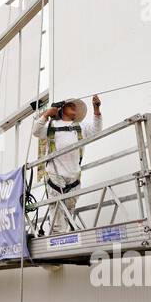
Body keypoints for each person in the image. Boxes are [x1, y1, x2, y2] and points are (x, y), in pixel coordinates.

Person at [30, 94, 102, 235]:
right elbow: (36, 131)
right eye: (71, 105)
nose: (74, 107)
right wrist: (46, 114)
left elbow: (96, 130)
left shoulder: (80, 127)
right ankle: (58, 235)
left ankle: (65, 234)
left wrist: (96, 109)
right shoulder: (52, 126)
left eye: (75, 106)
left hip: (74, 174)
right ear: (62, 109)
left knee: (69, 207)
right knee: (56, 206)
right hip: (55, 173)